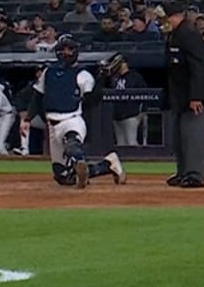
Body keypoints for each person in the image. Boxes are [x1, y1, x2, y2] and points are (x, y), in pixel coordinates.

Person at [19, 36, 125, 188]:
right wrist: (27, 119)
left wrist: (101, 80)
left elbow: (92, 101)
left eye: (69, 49)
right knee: (62, 177)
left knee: (72, 144)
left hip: (72, 119)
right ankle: (108, 165)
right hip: (52, 124)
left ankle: (80, 160)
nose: (65, 53)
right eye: (63, 50)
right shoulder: (49, 72)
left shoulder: (82, 74)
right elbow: (38, 96)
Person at [163, 6, 204, 188]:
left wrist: (196, 97)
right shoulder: (175, 34)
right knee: (179, 136)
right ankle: (183, 172)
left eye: (167, 17)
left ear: (177, 16)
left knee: (193, 136)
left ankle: (195, 175)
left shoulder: (188, 33)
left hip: (198, 95)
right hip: (182, 95)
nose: (164, 21)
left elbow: (199, 67)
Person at [104, 54, 149, 146]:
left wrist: (143, 112)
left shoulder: (135, 77)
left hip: (131, 115)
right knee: (120, 144)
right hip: (117, 116)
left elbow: (145, 94)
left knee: (131, 142)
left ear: (125, 64)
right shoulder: (114, 78)